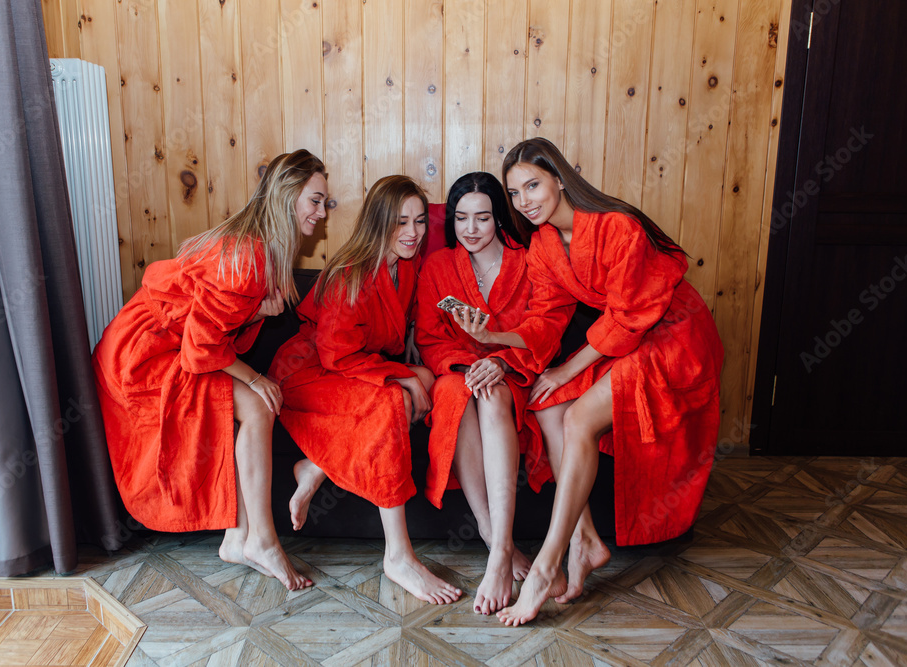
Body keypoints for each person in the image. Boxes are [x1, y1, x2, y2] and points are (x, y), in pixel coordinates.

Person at [454, 138, 723, 625]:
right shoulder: (543, 246)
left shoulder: (617, 227)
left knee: (574, 409)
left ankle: (545, 566)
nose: (525, 201)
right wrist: (491, 333)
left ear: (560, 178)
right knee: (549, 404)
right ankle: (587, 540)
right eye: (514, 194)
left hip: (671, 337)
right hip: (627, 340)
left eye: (532, 185)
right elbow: (545, 319)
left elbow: (629, 316)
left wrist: (565, 369)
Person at [92, 149, 328, 591]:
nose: (321, 212)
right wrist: (256, 377)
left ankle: (240, 538)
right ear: (288, 195)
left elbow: (214, 330)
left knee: (258, 405)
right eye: (314, 200)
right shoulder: (251, 254)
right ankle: (258, 539)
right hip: (144, 355)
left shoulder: (259, 249)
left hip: (171, 345)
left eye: (324, 203)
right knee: (259, 403)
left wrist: (257, 316)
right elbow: (202, 350)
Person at [269, 175, 462, 605]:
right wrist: (405, 377)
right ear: (378, 223)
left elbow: (420, 318)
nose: (412, 233)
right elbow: (337, 355)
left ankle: (315, 466)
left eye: (418, 222)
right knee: (392, 398)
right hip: (310, 373)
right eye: (400, 223)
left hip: (353, 370)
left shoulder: (408, 265)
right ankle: (398, 555)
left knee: (418, 384)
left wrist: (421, 366)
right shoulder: (349, 273)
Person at [414, 172, 552, 615]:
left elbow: (540, 329)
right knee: (456, 394)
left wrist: (499, 358)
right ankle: (496, 540)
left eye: (483, 218)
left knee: (491, 395)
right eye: (460, 218)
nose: (471, 229)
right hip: (457, 368)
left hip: (511, 370)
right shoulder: (438, 267)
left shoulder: (528, 261)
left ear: (500, 218)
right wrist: (466, 363)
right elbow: (430, 339)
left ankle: (500, 545)